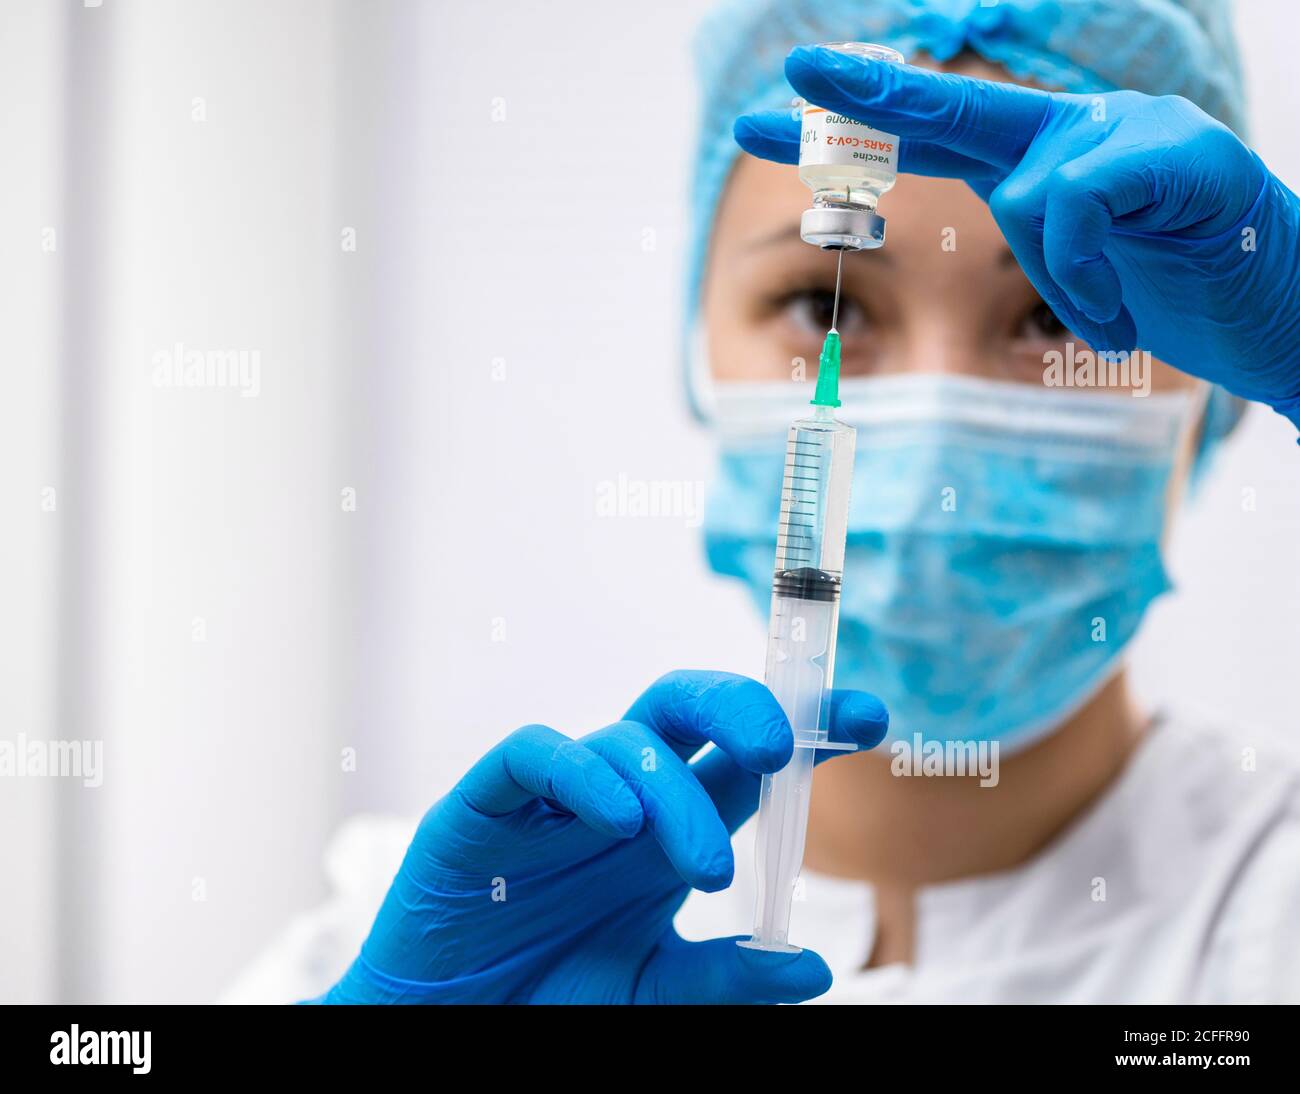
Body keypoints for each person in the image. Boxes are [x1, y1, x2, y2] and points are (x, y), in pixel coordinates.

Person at [225, 0, 1300, 1004]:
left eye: (1054, 319)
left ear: (1220, 388)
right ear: (695, 348)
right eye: (823, 302)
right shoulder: (456, 925)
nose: (930, 419)